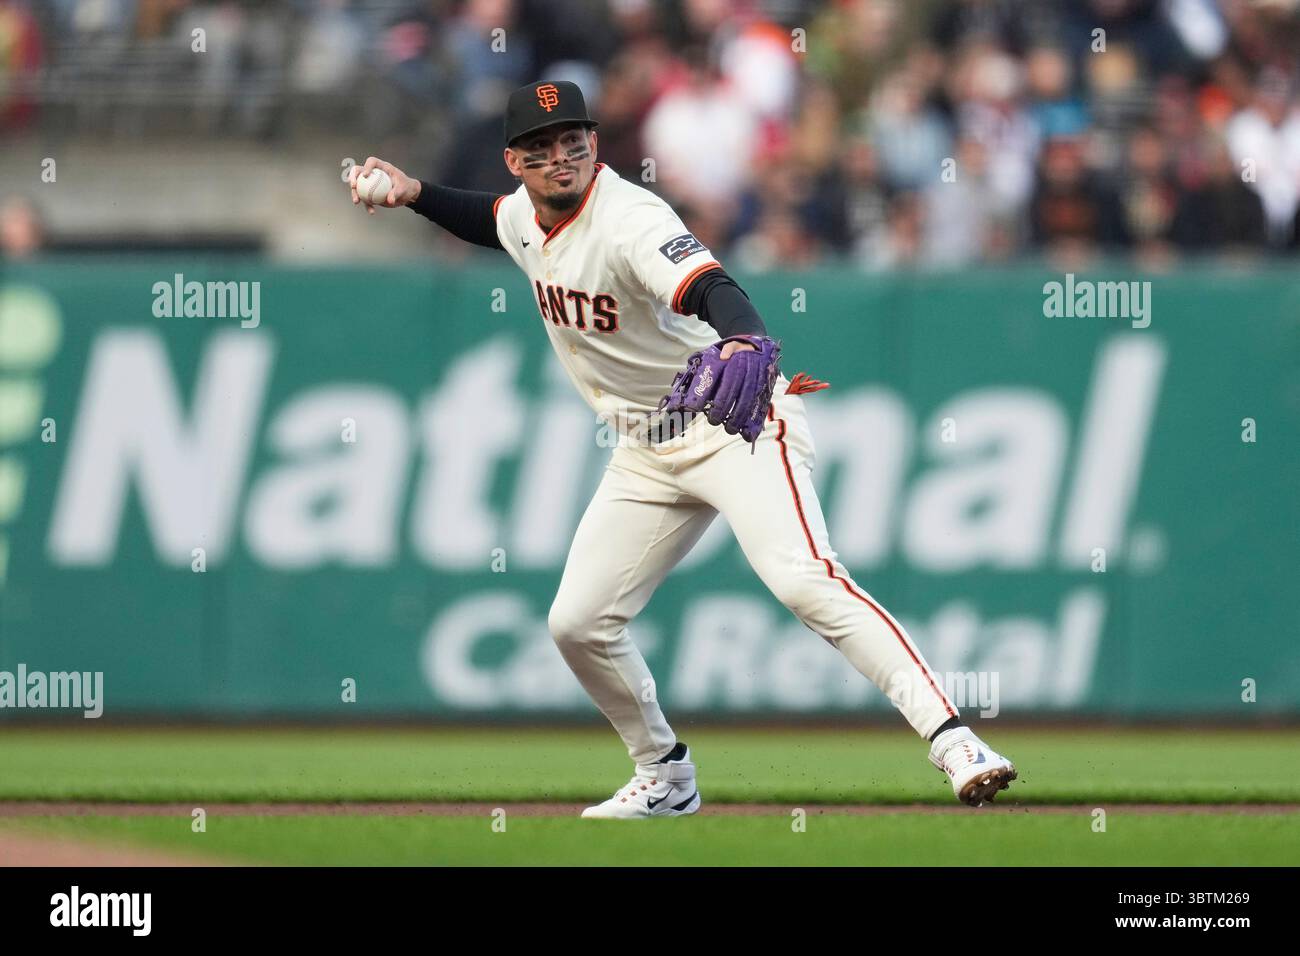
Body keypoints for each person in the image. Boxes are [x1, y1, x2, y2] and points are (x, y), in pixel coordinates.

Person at [348, 80, 1017, 817]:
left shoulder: (630, 216)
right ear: (515, 160)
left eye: (574, 139)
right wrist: (413, 192)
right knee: (577, 623)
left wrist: (745, 334)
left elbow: (707, 283)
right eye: (541, 148)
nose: (561, 157)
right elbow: (489, 219)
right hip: (644, 449)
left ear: (594, 144)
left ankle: (955, 740)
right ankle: (664, 774)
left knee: (804, 580)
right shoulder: (524, 218)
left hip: (735, 423)